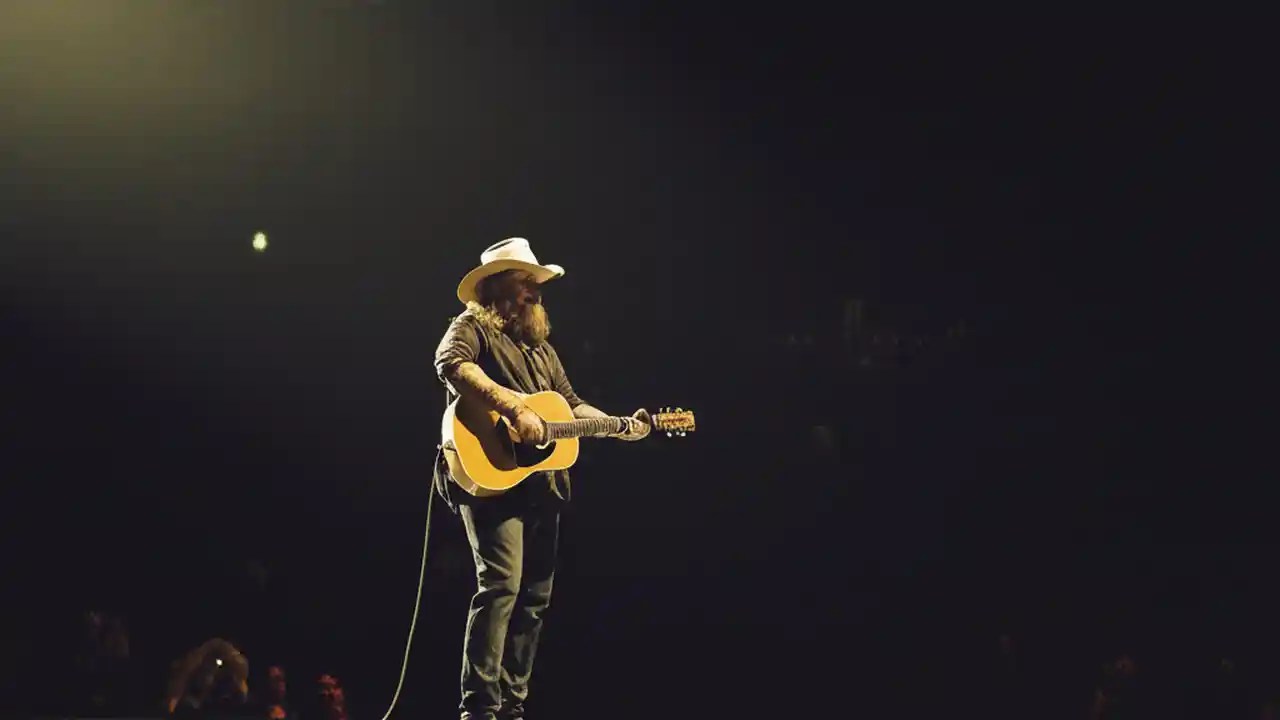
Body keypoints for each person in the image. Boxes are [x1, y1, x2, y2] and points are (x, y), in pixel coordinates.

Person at [432, 237, 650, 720]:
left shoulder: (542, 351)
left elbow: (570, 405)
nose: (534, 296)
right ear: (495, 290)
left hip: (539, 484)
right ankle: (481, 709)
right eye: (524, 286)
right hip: (489, 476)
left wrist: (619, 425)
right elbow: (450, 363)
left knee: (535, 596)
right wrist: (512, 407)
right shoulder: (472, 328)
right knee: (501, 585)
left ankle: (513, 705)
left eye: (535, 288)